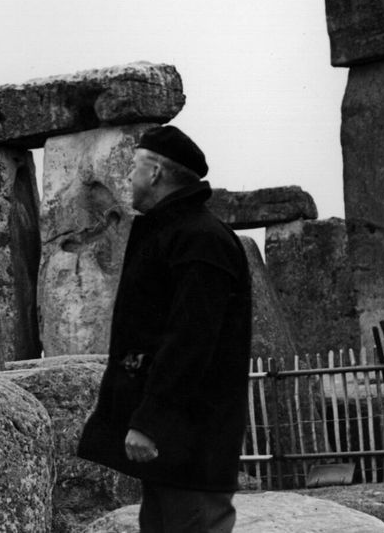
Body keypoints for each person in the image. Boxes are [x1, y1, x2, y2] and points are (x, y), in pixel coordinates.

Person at [74, 125, 252, 533]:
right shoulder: (177, 233)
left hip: (192, 441)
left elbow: (191, 341)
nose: (127, 176)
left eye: (133, 166)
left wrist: (151, 420)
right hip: (177, 444)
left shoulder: (200, 240)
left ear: (155, 172)